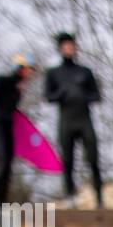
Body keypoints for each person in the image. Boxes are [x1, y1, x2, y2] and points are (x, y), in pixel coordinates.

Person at [44, 32, 103, 207]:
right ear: (60, 49)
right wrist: (62, 93)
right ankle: (70, 197)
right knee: (68, 160)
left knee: (93, 157)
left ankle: (99, 198)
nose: (69, 48)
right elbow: (48, 97)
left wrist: (84, 95)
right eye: (65, 46)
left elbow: (97, 95)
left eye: (72, 45)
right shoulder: (53, 73)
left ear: (75, 48)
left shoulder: (85, 72)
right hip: (66, 121)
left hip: (85, 119)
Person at [0, 53, 37, 205]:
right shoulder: (1, 81)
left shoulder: (18, 90)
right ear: (20, 68)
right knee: (2, 164)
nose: (30, 73)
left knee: (8, 167)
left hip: (8, 128)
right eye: (29, 69)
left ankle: (2, 202)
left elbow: (13, 110)